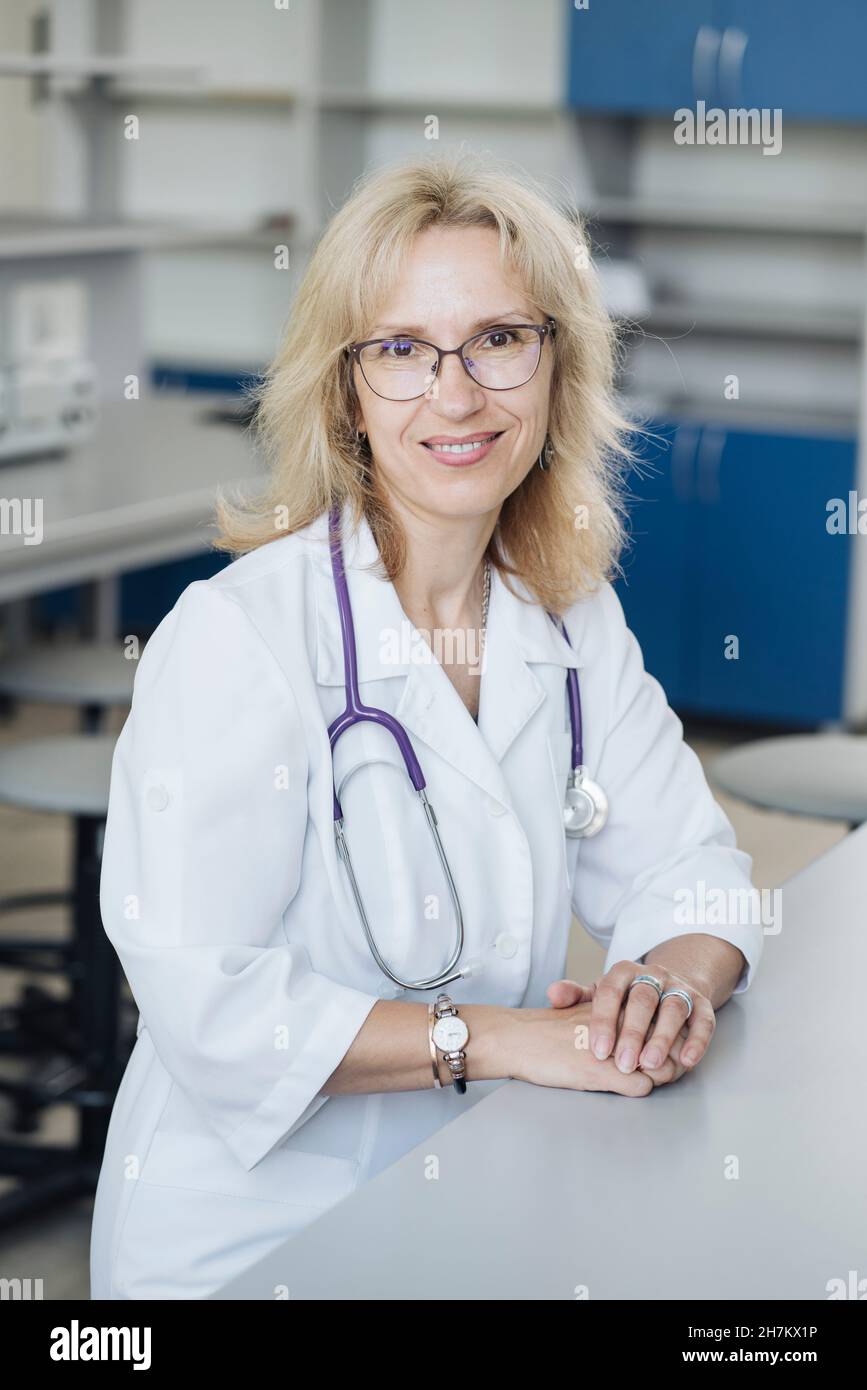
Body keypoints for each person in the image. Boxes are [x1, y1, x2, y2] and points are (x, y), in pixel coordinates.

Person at [90, 151, 763, 1299]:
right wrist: (496, 1037)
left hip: (480, 1198)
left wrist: (671, 987)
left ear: (559, 364)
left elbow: (695, 869)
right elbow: (210, 1006)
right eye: (401, 350)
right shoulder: (238, 637)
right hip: (253, 1245)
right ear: (345, 387)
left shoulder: (568, 617)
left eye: (500, 338)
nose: (456, 395)